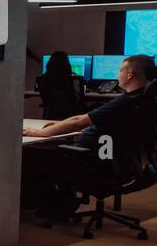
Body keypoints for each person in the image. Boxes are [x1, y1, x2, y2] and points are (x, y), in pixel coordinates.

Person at [21, 54, 155, 219]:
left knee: (33, 153)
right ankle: (57, 203)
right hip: (117, 162)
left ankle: (50, 205)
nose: (118, 74)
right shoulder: (144, 101)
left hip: (93, 163)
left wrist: (39, 133)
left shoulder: (125, 103)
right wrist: (57, 126)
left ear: (130, 75)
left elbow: (79, 121)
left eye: (120, 70)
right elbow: (85, 119)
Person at [35, 50, 86, 121]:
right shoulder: (74, 79)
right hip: (72, 115)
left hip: (52, 114)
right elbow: (77, 97)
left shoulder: (43, 79)